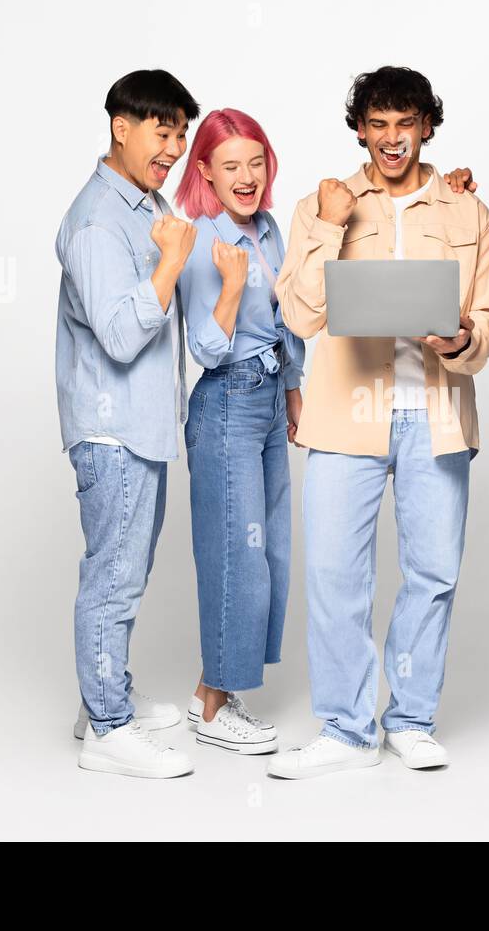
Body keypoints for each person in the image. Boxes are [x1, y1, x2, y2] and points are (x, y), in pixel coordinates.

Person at [267, 66, 489, 780]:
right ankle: (344, 727)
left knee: (432, 572)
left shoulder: (470, 213)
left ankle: (410, 719)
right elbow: (300, 314)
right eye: (378, 123)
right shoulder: (321, 205)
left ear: (426, 126)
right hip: (346, 413)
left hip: (436, 413)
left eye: (406, 123)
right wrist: (333, 227)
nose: (392, 138)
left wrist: (463, 339)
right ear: (360, 130)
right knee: (337, 574)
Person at [56, 69, 200, 778]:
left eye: (181, 132)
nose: (174, 145)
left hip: (141, 427)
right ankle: (108, 732)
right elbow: (118, 334)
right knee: (113, 577)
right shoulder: (95, 220)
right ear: (122, 127)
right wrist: (172, 263)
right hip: (111, 433)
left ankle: (102, 697)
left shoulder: (145, 202)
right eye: (162, 130)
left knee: (126, 570)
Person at [174, 109, 304, 755]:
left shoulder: (270, 230)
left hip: (266, 398)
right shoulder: (200, 240)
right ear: (205, 172)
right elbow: (204, 345)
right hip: (225, 401)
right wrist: (229, 288)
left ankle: (213, 693)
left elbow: (286, 320)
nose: (247, 177)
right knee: (236, 555)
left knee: (270, 550)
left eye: (256, 162)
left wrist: (294, 389)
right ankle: (215, 709)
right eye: (231, 166)